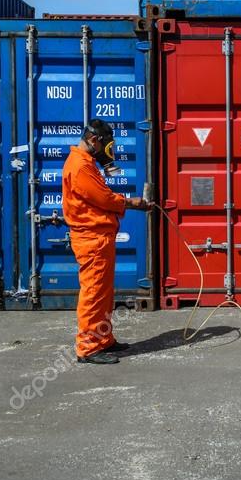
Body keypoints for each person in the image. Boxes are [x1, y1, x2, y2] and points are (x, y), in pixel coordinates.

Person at [62, 119, 150, 364]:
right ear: (93, 141)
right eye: (104, 145)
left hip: (98, 237)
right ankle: (88, 348)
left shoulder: (85, 163)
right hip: (91, 238)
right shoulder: (80, 166)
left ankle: (103, 339)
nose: (106, 151)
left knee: (103, 293)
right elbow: (103, 198)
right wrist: (131, 202)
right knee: (93, 293)